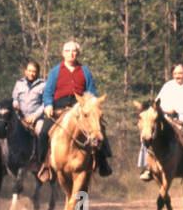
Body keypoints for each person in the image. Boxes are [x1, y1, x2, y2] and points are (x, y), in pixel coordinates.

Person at [42, 39, 113, 177]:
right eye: (68, 51)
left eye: (74, 51)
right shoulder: (55, 71)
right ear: (63, 53)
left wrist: (90, 104)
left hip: (80, 108)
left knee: (99, 130)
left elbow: (91, 92)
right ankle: (44, 164)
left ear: (78, 53)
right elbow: (47, 92)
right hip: (59, 109)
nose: (71, 54)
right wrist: (48, 105)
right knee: (43, 131)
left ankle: (103, 162)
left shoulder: (85, 71)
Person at [141, 62, 183, 182]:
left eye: (180, 73)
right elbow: (156, 104)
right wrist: (165, 110)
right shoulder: (168, 86)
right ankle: (147, 167)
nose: (177, 76)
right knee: (146, 136)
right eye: (175, 73)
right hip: (167, 119)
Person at [12, 59, 48, 167]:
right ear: (25, 71)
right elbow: (14, 97)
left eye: (34, 71)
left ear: (38, 73)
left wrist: (35, 116)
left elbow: (45, 103)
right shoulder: (19, 83)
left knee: (41, 132)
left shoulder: (43, 84)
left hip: (36, 118)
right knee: (7, 130)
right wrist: (15, 103)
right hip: (20, 117)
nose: (31, 73)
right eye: (29, 71)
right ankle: (7, 160)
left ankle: (40, 159)